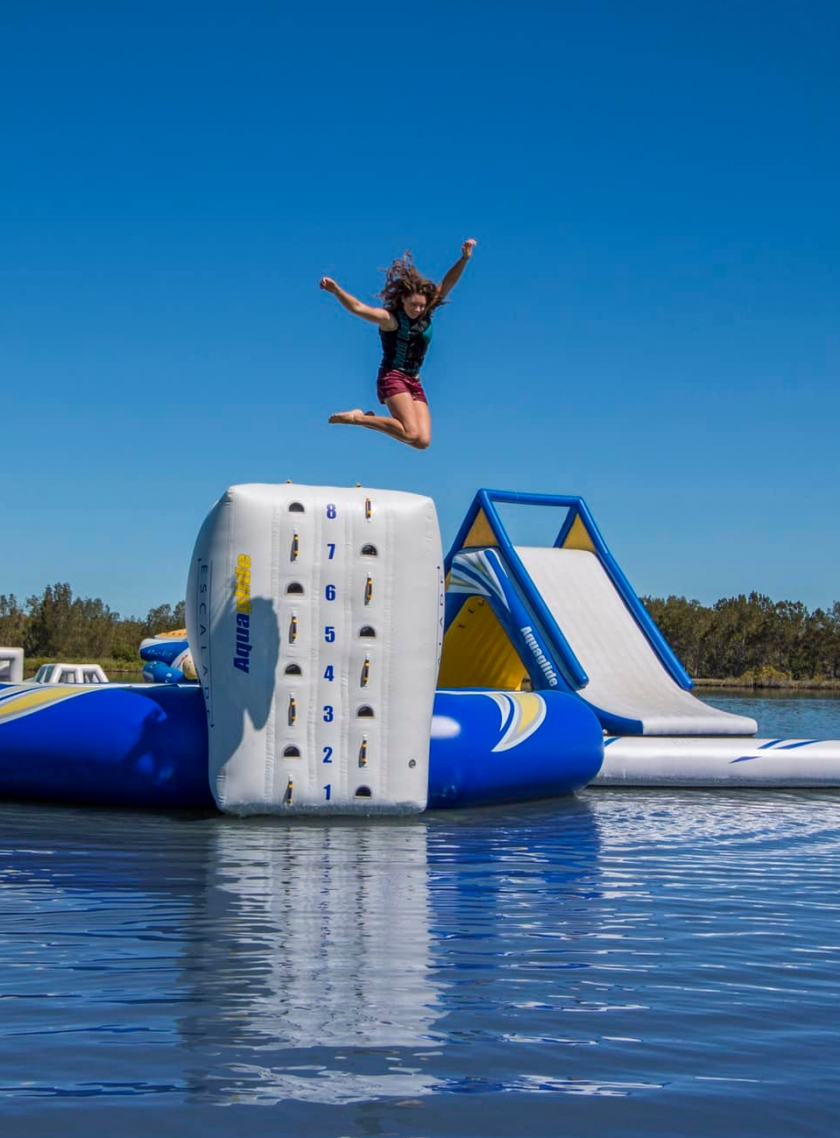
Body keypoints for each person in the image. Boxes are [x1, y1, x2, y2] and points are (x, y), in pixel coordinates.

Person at [320, 239, 477, 449]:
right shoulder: (390, 319)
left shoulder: (425, 312)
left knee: (422, 441)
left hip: (414, 380)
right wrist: (338, 291)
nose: (418, 310)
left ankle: (366, 418)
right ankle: (357, 418)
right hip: (393, 375)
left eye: (422, 306)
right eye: (413, 305)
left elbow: (448, 283)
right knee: (410, 432)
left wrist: (464, 259)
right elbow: (358, 308)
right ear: (403, 299)